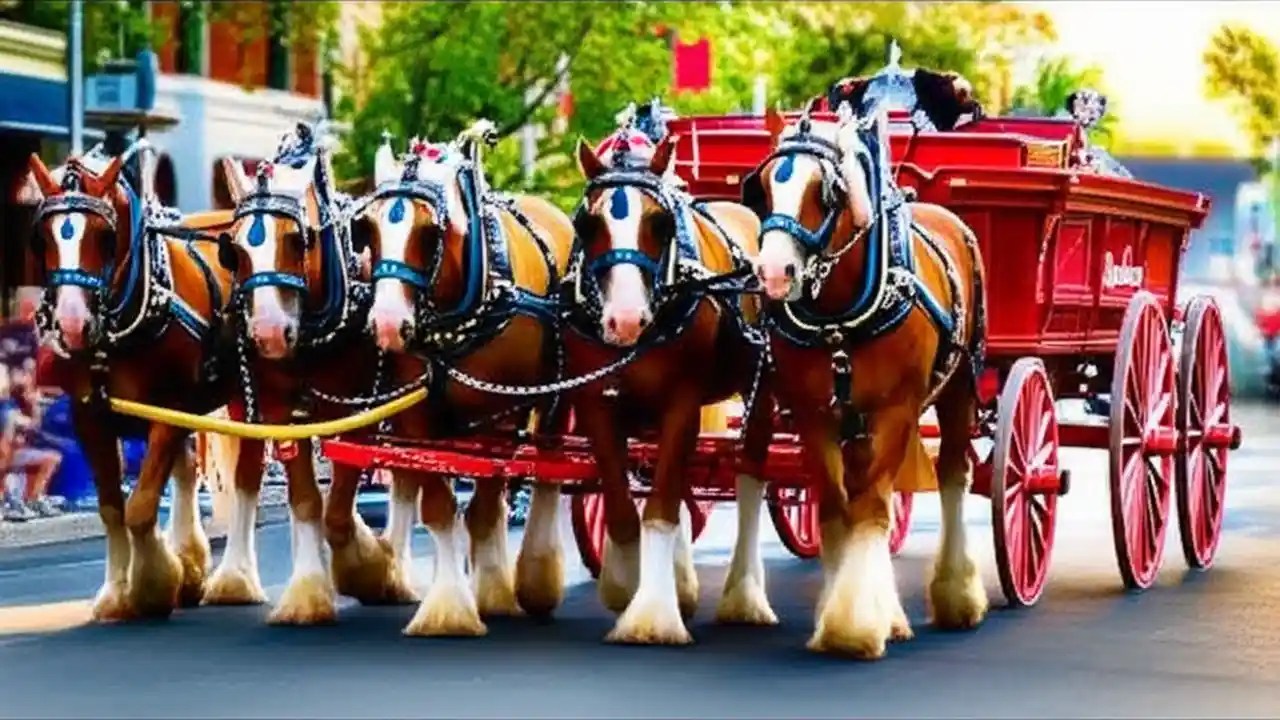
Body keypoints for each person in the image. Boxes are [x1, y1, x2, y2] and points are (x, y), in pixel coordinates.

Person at [1, 366, 63, 520]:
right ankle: (7, 502)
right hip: (5, 454)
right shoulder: (8, 411)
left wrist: (34, 404)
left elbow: (31, 427)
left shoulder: (11, 405)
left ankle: (34, 498)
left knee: (52, 457)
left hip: (11, 452)